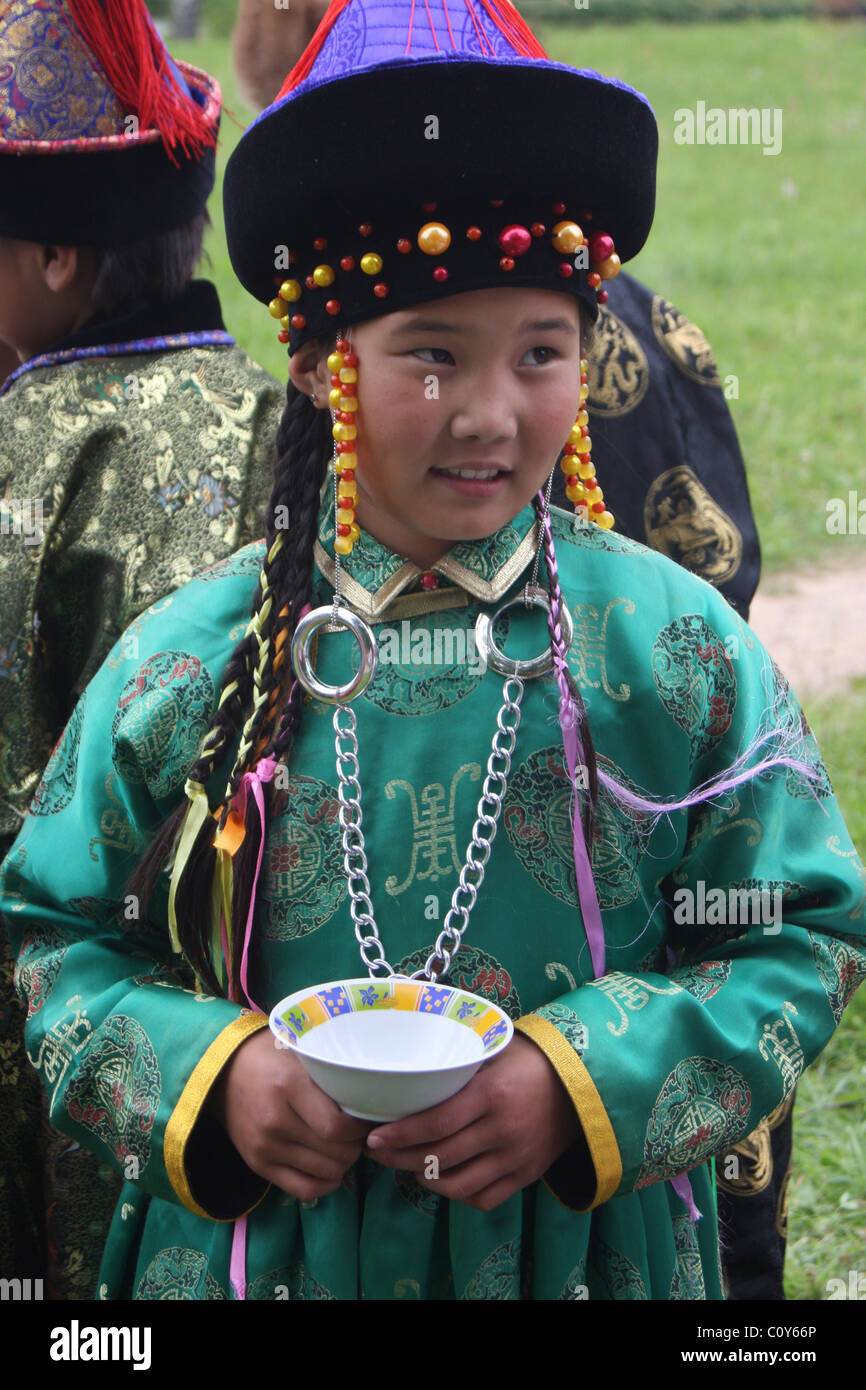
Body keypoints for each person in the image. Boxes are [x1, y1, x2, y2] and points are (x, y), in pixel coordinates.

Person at [2, 0, 864, 1301]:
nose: (489, 410)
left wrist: (586, 1083)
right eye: (429, 355)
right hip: (259, 1257)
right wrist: (211, 1075)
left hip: (582, 1256)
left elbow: (800, 925)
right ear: (313, 365)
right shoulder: (199, 656)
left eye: (540, 353)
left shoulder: (668, 648)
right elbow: (55, 926)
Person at [0, 0, 281, 1297]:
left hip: (69, 1020)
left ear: (57, 255)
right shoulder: (294, 419)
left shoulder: (22, 454)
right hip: (269, 1055)